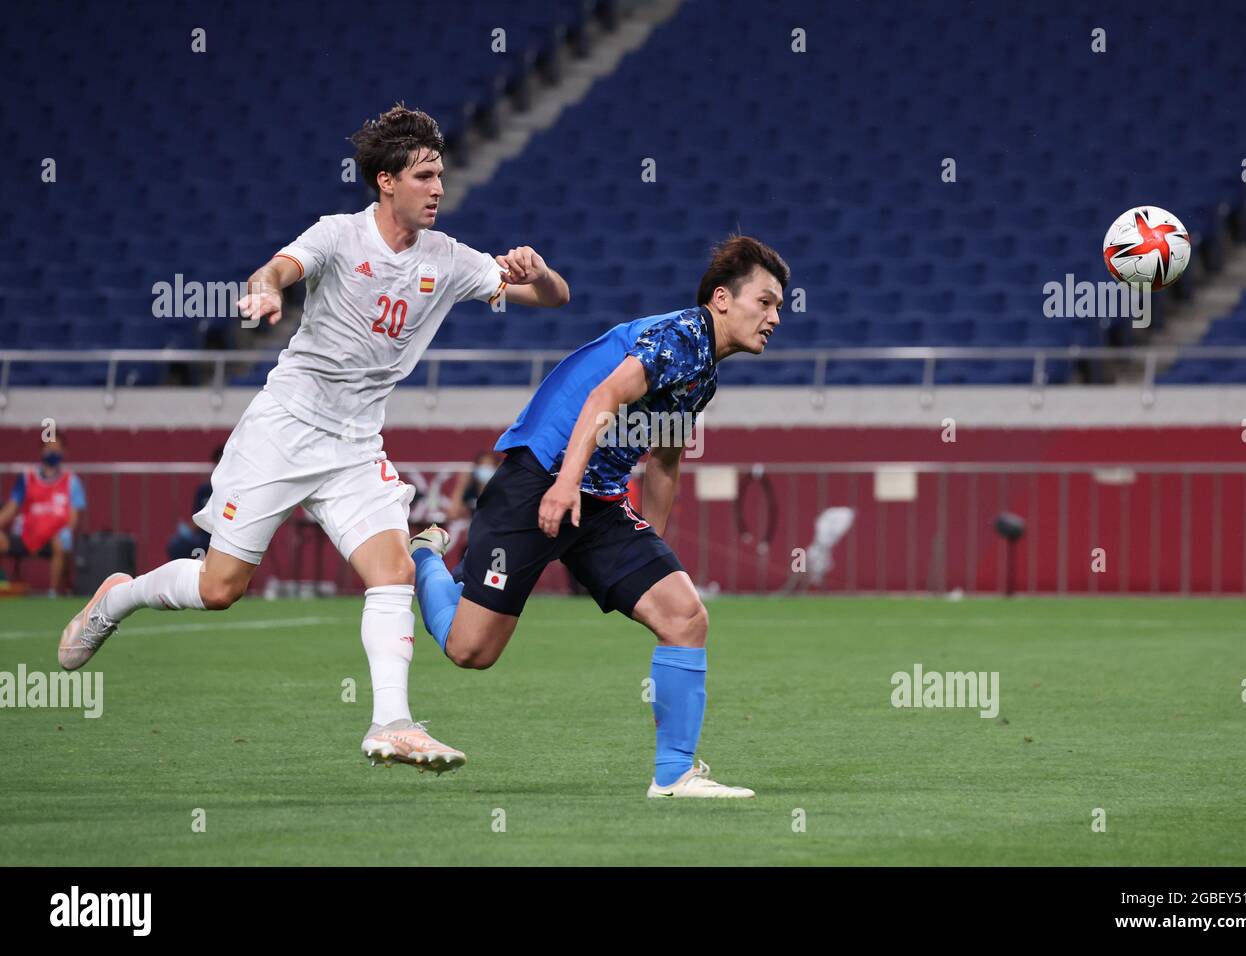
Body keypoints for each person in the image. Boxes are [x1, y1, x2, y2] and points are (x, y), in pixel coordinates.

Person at [57, 104, 570, 774]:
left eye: (440, 173)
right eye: (423, 175)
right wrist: (266, 292)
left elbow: (552, 299)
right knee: (220, 588)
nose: (438, 187)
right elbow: (275, 270)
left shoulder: (449, 260)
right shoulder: (337, 236)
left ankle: (393, 723)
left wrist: (539, 272)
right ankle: (117, 596)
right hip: (286, 429)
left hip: (356, 445)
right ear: (387, 181)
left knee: (391, 573)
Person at [410, 235, 787, 797]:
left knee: (684, 616)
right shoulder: (679, 338)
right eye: (766, 301)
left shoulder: (703, 372)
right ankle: (423, 555)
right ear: (722, 300)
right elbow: (602, 400)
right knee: (471, 651)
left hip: (602, 499)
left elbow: (663, 459)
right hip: (538, 479)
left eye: (780, 305)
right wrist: (563, 487)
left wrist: (650, 554)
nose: (776, 317)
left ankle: (674, 775)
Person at [0, 434, 85, 596]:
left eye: (56, 449)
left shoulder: (71, 481)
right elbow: (10, 509)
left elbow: (73, 518)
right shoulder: (27, 478)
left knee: (61, 541)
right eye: (48, 448)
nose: (52, 452)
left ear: (63, 451)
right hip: (26, 536)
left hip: (53, 538)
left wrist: (65, 532)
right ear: (41, 451)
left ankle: (52, 592)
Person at [166, 447, 222, 561]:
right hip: (205, 537)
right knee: (177, 546)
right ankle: (189, 576)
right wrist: (187, 529)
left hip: (225, 537)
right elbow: (197, 518)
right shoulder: (204, 490)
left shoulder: (235, 490)